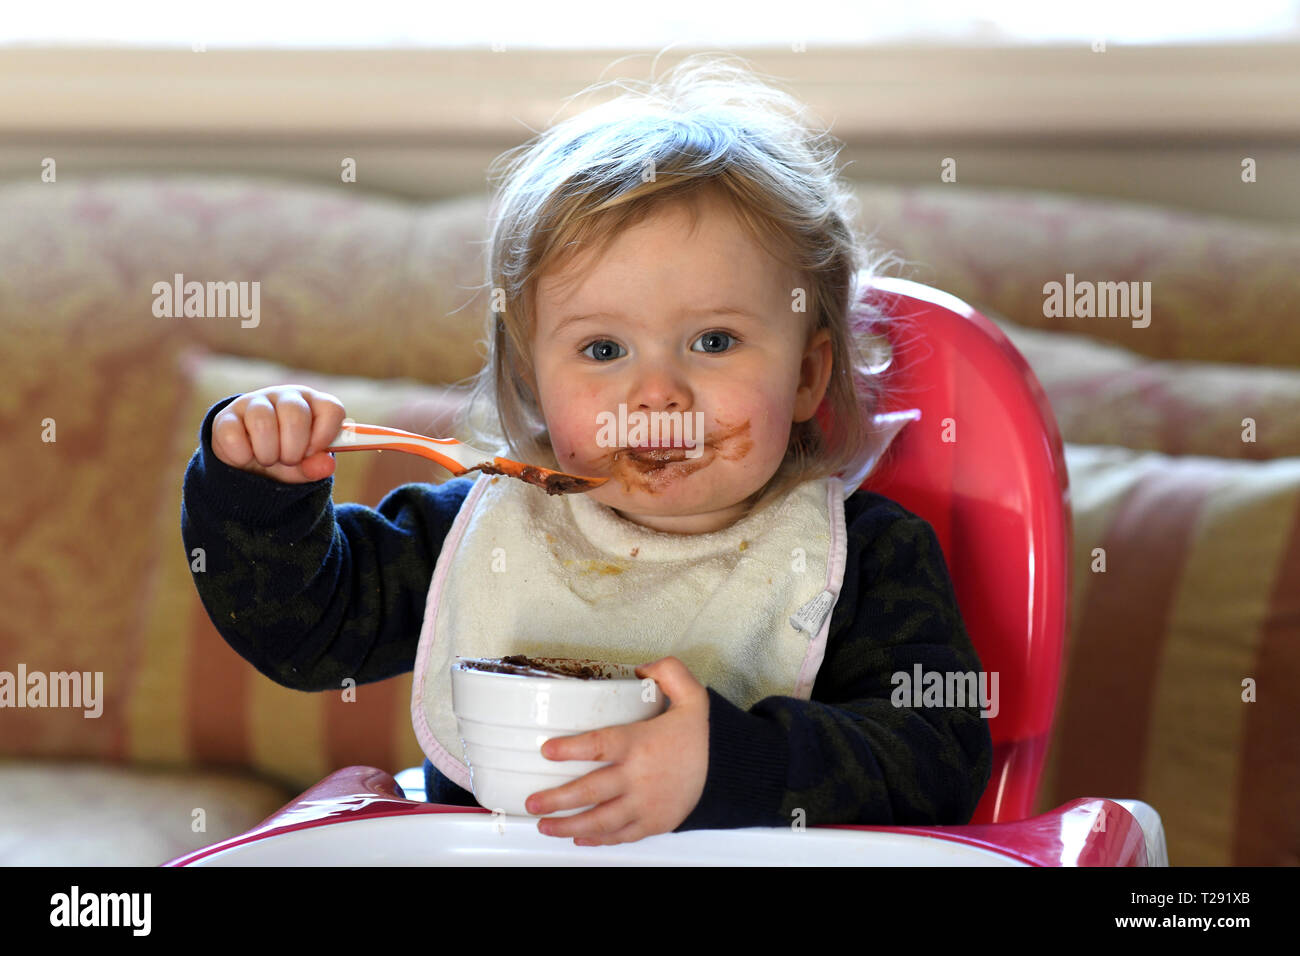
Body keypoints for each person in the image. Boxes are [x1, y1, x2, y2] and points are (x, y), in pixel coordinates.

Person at [181, 55, 992, 847]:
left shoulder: (866, 556)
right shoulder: (482, 528)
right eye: (603, 350)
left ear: (810, 375)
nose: (657, 393)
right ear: (536, 383)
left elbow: (936, 764)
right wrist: (258, 492)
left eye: (714, 340)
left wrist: (730, 764)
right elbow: (306, 631)